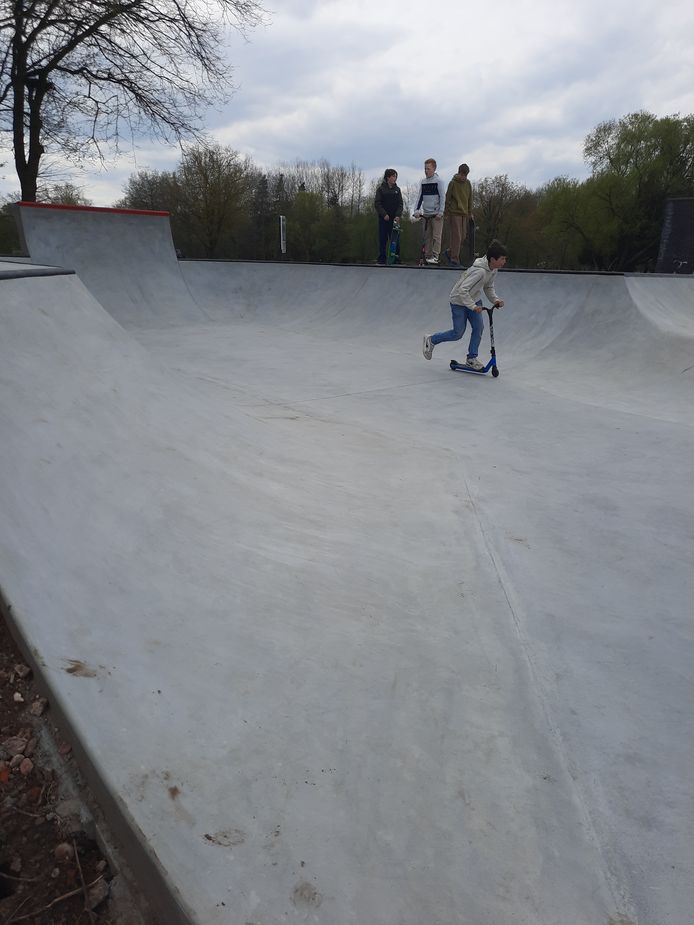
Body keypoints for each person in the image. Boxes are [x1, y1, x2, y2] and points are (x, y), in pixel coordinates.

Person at [422, 240, 509, 368]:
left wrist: (495, 300)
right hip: (458, 301)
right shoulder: (479, 271)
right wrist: (473, 307)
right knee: (458, 333)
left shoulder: (493, 270)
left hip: (474, 299)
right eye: (502, 259)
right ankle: (432, 340)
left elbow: (488, 287)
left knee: (478, 328)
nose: (504, 262)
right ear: (492, 259)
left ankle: (471, 358)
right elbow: (463, 290)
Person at [412, 158, 446, 264]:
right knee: (427, 237)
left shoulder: (439, 181)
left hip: (436, 215)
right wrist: (416, 210)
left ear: (434, 169)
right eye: (425, 169)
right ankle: (428, 256)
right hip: (426, 214)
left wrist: (441, 212)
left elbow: (442, 197)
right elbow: (420, 197)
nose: (426, 171)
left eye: (428, 169)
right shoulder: (423, 182)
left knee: (436, 236)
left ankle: (436, 256)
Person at [444, 164, 473, 267]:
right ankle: (454, 259)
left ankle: (449, 252)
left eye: (465, 175)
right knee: (457, 236)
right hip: (454, 212)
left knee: (463, 237)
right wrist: (446, 212)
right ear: (459, 173)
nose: (463, 177)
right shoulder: (453, 183)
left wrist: (470, 212)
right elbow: (447, 198)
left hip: (464, 213)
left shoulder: (468, 184)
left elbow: (470, 198)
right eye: (462, 175)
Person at [374, 169, 404, 265]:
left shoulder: (397, 190)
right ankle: (382, 259)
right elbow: (377, 204)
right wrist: (384, 214)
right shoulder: (381, 189)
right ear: (388, 177)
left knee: (395, 240)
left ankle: (396, 259)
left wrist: (398, 215)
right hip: (384, 219)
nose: (395, 178)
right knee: (383, 239)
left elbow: (400, 204)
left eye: (396, 177)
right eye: (393, 176)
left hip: (394, 219)